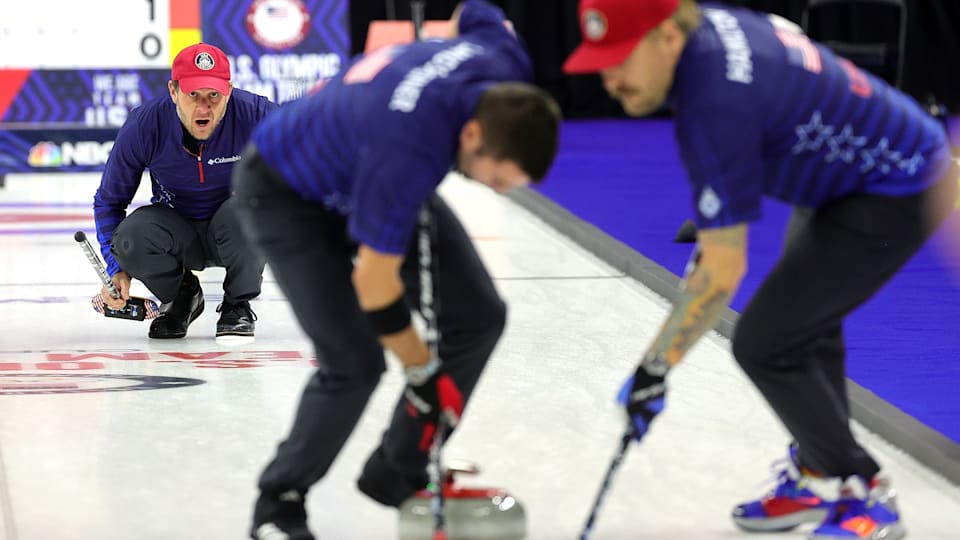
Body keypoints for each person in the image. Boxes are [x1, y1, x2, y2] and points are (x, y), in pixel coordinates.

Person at [564, 0, 958, 539]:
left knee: (765, 342)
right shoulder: (705, 39)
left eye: (620, 60)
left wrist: (654, 370)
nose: (609, 81)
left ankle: (866, 490)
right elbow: (713, 242)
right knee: (804, 325)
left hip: (895, 184)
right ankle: (819, 473)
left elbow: (722, 273)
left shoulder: (715, 103)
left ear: (667, 39)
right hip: (838, 176)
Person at [231, 1, 560, 538]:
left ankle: (398, 471)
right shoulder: (409, 152)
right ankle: (278, 502)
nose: (497, 191)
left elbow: (475, 10)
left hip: (366, 156)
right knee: (354, 361)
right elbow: (374, 284)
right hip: (287, 190)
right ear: (473, 138)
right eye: (497, 179)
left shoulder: (504, 62)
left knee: (479, 316)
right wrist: (423, 372)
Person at [93, 43, 276, 340]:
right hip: (176, 232)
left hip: (234, 226)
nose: (204, 107)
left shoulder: (258, 115)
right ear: (174, 91)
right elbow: (109, 202)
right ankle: (182, 296)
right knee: (129, 239)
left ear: (228, 91)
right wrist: (116, 270)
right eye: (193, 95)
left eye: (214, 95)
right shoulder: (144, 125)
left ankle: (237, 304)